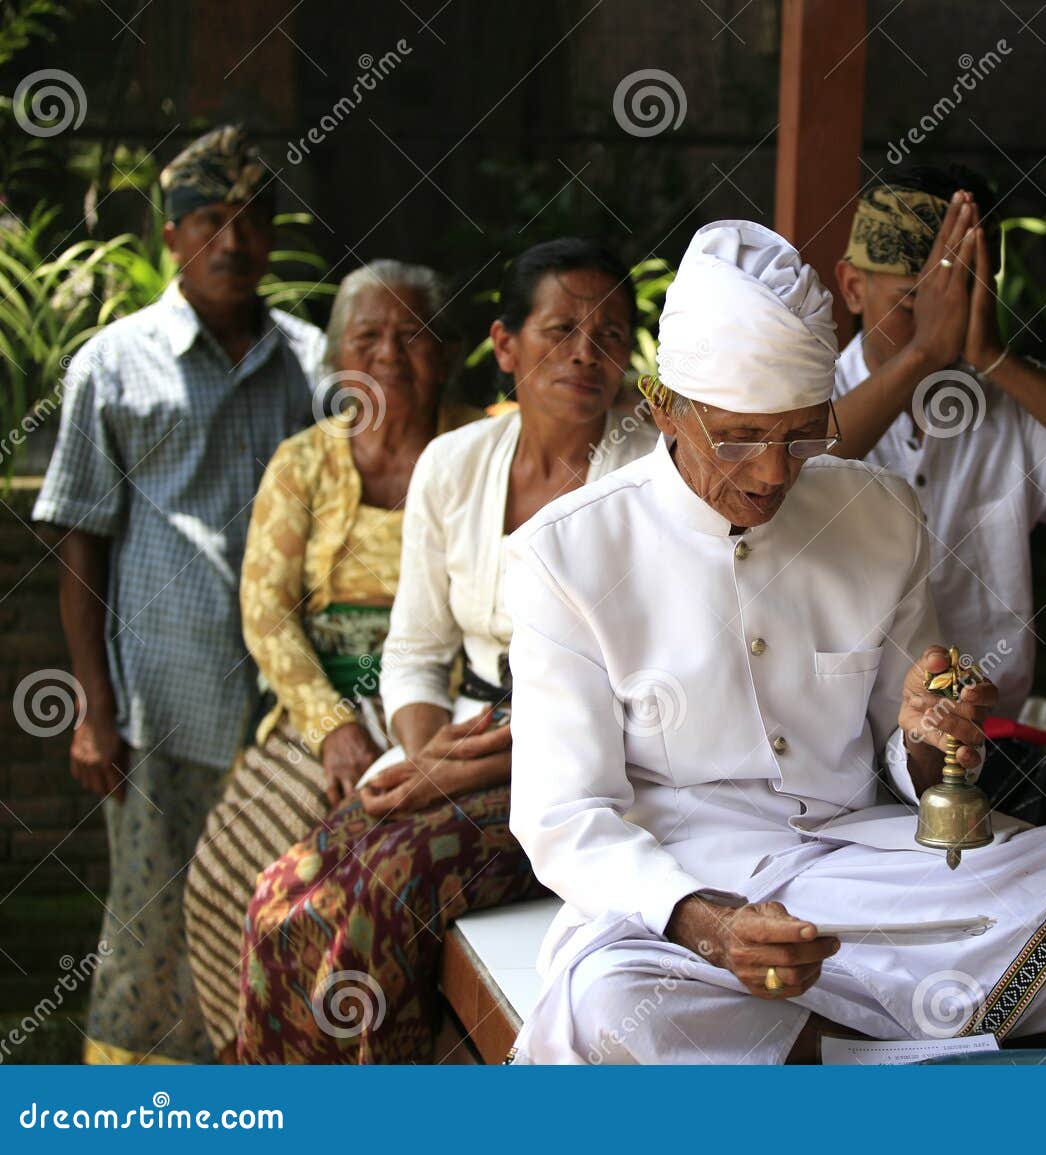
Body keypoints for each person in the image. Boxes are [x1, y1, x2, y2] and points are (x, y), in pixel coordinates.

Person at [503, 220, 1046, 1064]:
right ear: (663, 407)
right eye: (740, 436)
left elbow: (904, 755)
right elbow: (564, 815)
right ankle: (923, 1046)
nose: (774, 471)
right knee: (611, 1007)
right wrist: (709, 925)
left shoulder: (878, 512)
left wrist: (930, 736)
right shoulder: (567, 555)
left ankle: (843, 1054)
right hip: (683, 901)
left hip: (869, 880)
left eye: (803, 434)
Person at [236, 239, 657, 1063]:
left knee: (380, 900)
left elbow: (655, 680)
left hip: (595, 769)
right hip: (459, 737)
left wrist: (480, 762)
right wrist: (427, 756)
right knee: (280, 893)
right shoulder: (456, 464)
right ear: (505, 345)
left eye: (609, 334)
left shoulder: (656, 477)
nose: (585, 353)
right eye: (561, 329)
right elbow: (415, 650)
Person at [32, 124, 324, 1064]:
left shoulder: (312, 362)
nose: (233, 242)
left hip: (291, 714)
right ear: (171, 236)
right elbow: (80, 540)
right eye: (210, 221)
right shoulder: (113, 365)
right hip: (164, 702)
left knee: (278, 919)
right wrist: (92, 707)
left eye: (252, 221)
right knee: (150, 929)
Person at [183, 260, 481, 1062]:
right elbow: (266, 611)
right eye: (368, 336)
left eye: (412, 334)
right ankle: (268, 1061)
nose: (389, 353)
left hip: (447, 710)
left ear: (446, 351)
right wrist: (332, 726)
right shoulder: (303, 462)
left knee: (381, 884)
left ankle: (388, 1063)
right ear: (339, 357)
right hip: (325, 715)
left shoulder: (484, 447)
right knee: (233, 867)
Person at [831, 166, 1046, 727]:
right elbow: (787, 472)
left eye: (959, 300)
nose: (941, 325)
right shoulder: (810, 397)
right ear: (853, 287)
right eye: (913, 304)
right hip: (832, 743)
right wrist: (923, 354)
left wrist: (996, 359)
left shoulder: (1008, 404)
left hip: (980, 740)